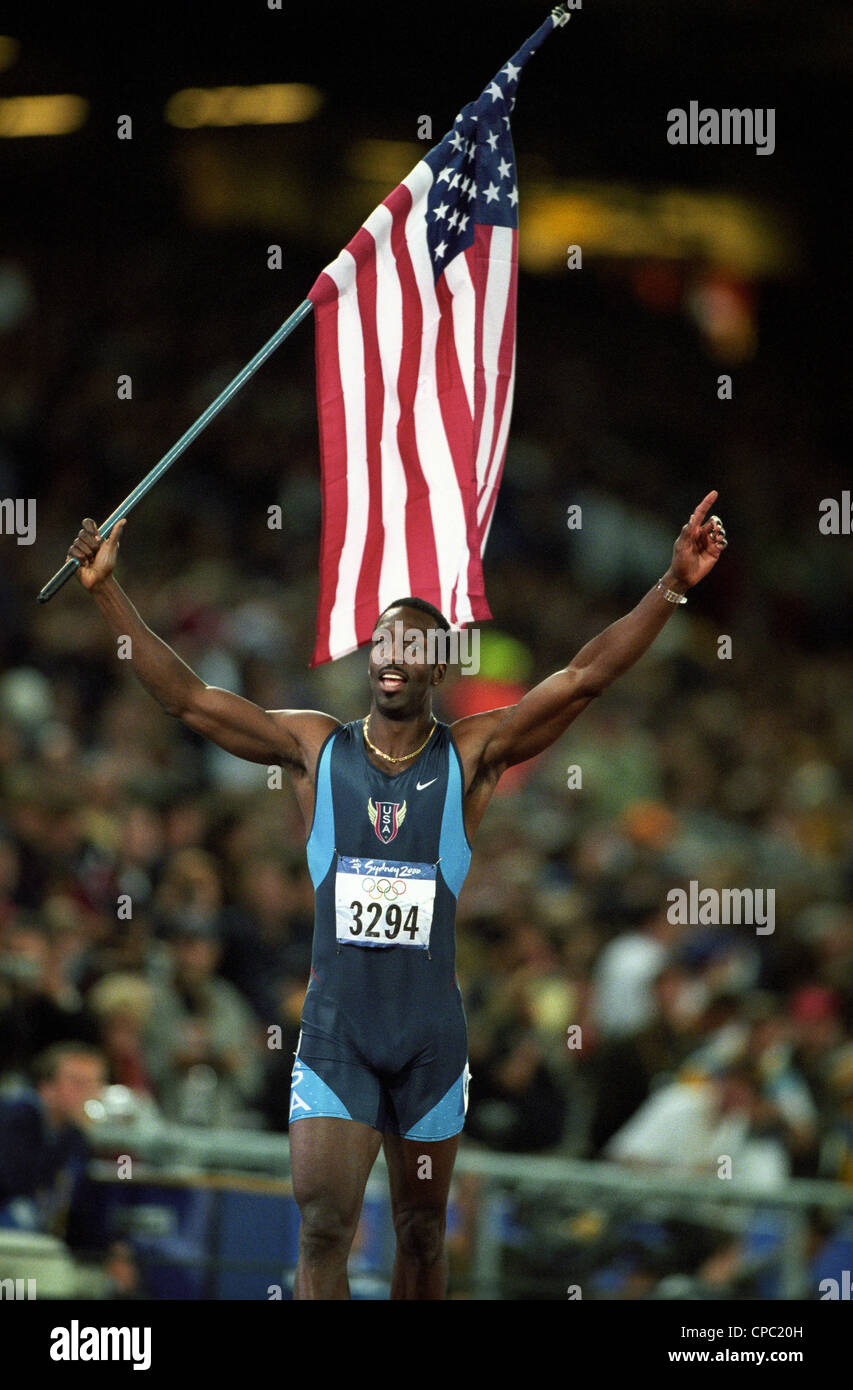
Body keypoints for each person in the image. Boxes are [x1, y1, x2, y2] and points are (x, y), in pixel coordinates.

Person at [64, 491, 727, 1299]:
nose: (390, 651)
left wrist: (670, 585)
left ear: (438, 664)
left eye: (410, 643)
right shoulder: (314, 748)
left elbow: (582, 677)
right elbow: (190, 699)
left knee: (419, 1232)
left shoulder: (473, 756)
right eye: (382, 637)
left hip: (428, 1045)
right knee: (322, 1228)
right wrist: (106, 592)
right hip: (339, 1032)